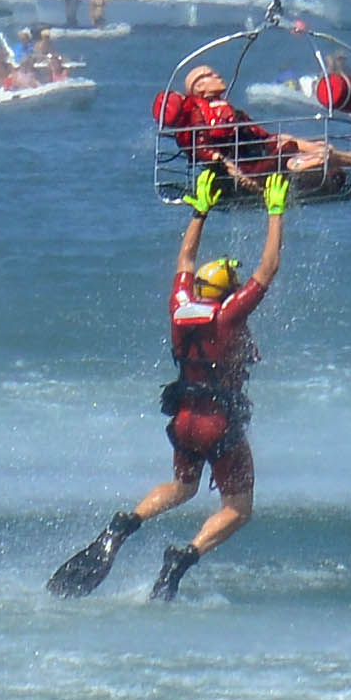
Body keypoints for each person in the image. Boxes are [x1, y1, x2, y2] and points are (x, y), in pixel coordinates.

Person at [54, 180, 287, 601]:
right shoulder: (229, 318)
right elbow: (267, 269)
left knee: (182, 486)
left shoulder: (180, 306)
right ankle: (182, 557)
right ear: (226, 294)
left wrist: (199, 211)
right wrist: (276, 210)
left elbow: (185, 257)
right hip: (219, 424)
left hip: (184, 419)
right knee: (238, 507)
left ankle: (124, 524)